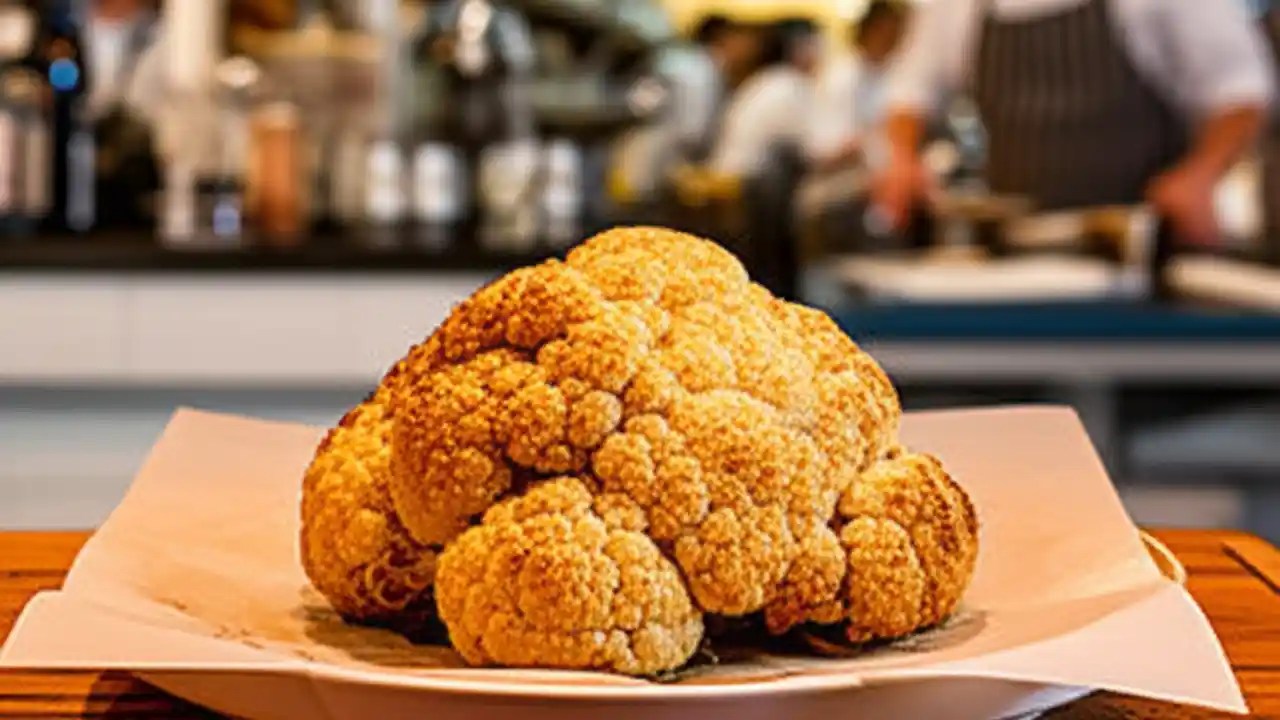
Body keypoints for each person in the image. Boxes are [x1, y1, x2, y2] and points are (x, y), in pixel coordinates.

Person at [873, 0, 1275, 270]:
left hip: (1144, 257)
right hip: (1014, 256)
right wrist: (903, 159)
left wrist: (1199, 175)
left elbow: (1240, 89)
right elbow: (912, 88)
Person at [707, 18, 822, 179]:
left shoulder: (764, 81)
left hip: (729, 176)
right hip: (744, 186)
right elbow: (815, 150)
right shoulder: (786, 84)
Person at [805, 1, 910, 174]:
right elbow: (828, 146)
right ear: (871, 31)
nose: (897, 42)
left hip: (872, 170)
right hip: (840, 175)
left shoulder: (886, 72)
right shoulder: (842, 76)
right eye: (891, 34)